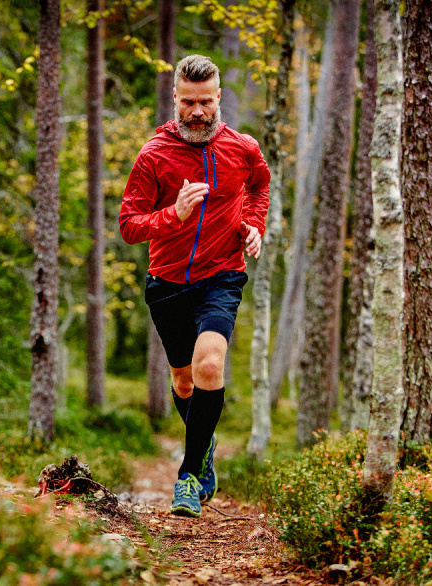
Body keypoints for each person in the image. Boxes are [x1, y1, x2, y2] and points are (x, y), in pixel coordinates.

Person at [119, 54, 270, 518]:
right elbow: (128, 225)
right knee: (183, 384)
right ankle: (204, 452)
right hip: (166, 284)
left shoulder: (242, 148)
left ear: (219, 98)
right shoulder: (154, 154)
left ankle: (187, 477)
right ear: (176, 100)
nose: (199, 112)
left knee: (209, 367)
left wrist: (252, 224)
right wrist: (175, 215)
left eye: (206, 102)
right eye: (189, 103)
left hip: (221, 276)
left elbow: (261, 186)